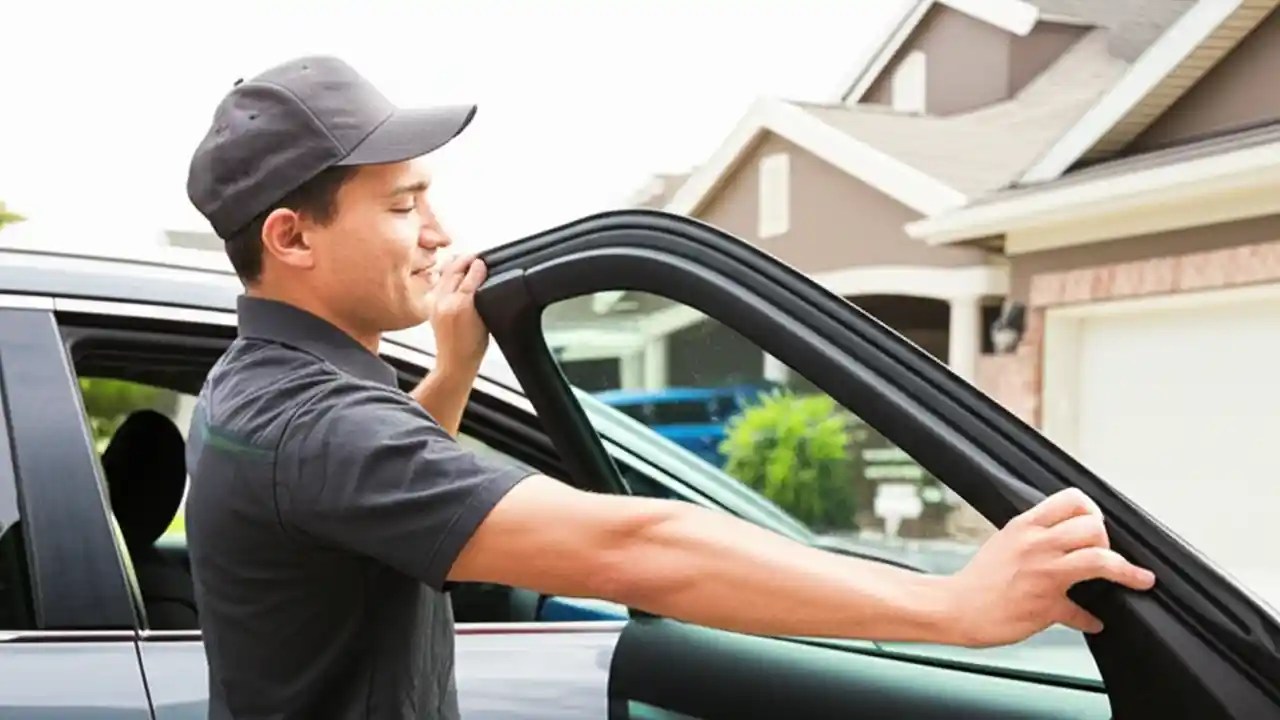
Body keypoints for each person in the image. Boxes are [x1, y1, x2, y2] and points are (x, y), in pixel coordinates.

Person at [183, 55, 1156, 720]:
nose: (438, 229)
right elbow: (634, 544)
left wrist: (452, 372)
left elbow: (379, 517)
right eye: (402, 204)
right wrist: (952, 607)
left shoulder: (266, 392)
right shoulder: (310, 421)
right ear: (292, 236)